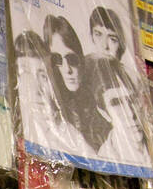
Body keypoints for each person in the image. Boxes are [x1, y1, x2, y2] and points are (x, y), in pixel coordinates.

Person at [14, 30, 89, 155]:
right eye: (26, 74)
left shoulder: (69, 137)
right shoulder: (5, 129)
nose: (36, 89)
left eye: (43, 76)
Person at [43, 14, 106, 157]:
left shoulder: (99, 108)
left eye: (71, 59)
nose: (67, 69)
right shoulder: (49, 111)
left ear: (81, 61)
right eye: (57, 60)